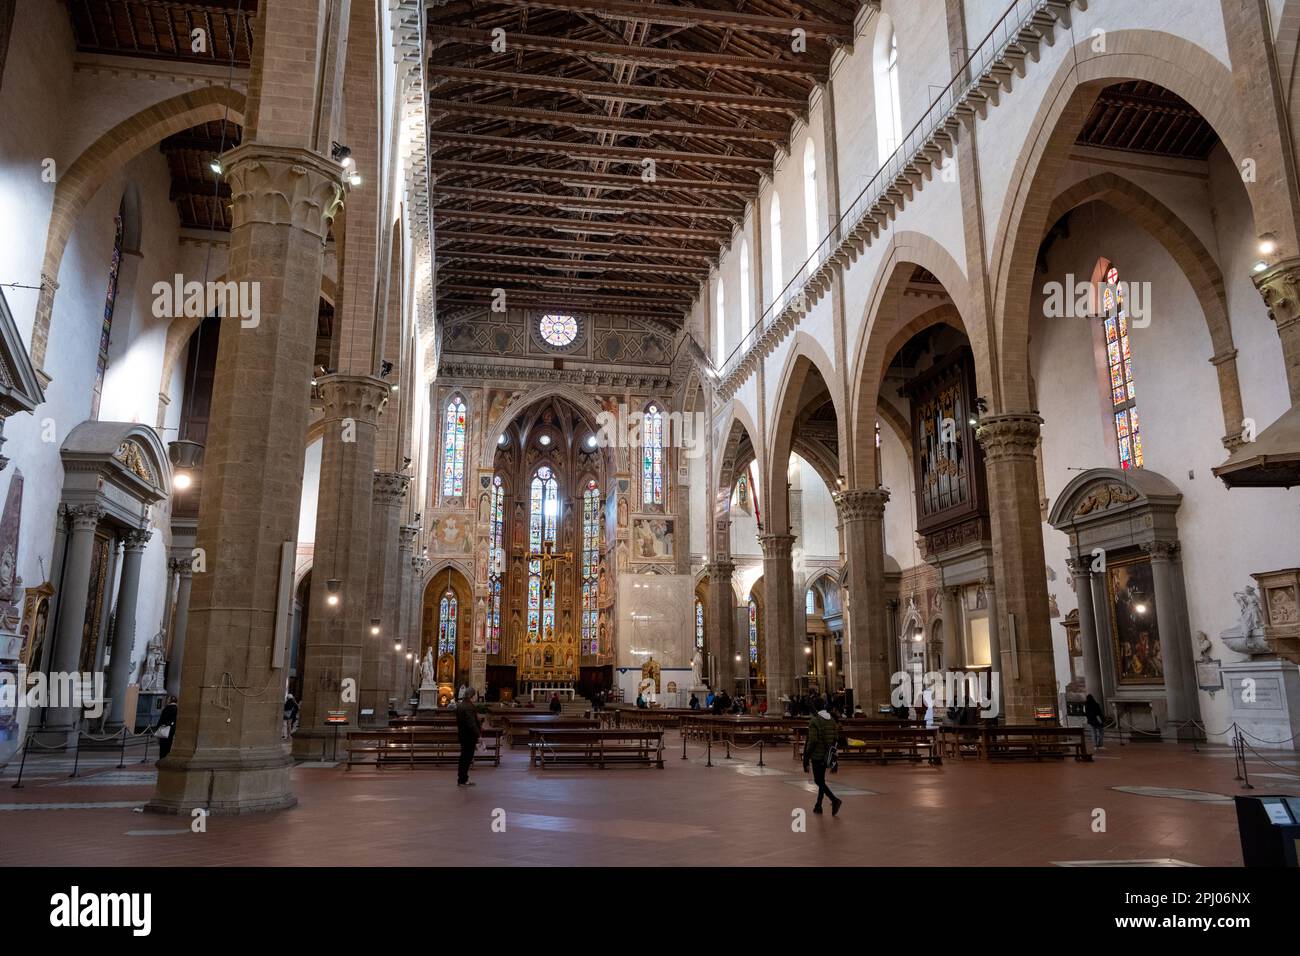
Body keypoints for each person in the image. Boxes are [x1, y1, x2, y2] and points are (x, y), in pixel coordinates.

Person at [802, 695, 842, 816]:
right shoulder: (832, 720)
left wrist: (807, 756)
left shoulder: (815, 720)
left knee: (818, 781)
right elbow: (836, 738)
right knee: (821, 780)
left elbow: (813, 740)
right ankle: (818, 805)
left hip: (817, 755)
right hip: (827, 754)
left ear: (814, 707)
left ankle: (834, 800)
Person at [455, 686, 481, 787]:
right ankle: (462, 780)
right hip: (468, 737)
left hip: (463, 734)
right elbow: (471, 723)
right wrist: (478, 735)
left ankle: (463, 779)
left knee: (464, 758)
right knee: (466, 758)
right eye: (475, 696)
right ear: (472, 696)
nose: (475, 698)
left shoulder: (461, 705)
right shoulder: (469, 707)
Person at [156, 695, 178, 761]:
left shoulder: (166, 709)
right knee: (169, 745)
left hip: (164, 729)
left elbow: (161, 719)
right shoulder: (176, 709)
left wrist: (158, 727)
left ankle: (162, 758)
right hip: (171, 729)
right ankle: (166, 758)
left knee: (163, 746)